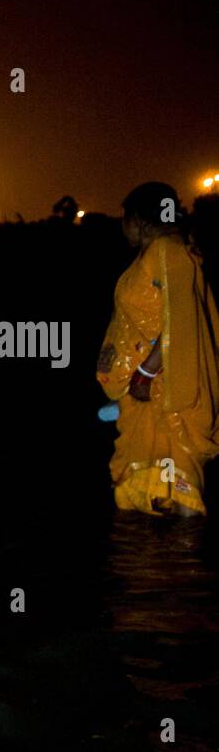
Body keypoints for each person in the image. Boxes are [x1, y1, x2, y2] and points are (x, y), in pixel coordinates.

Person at [96, 182, 219, 517]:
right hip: (143, 391)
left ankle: (186, 561)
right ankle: (151, 564)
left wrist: (148, 371)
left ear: (137, 219)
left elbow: (180, 321)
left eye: (125, 219)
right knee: (146, 490)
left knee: (181, 493)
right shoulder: (151, 256)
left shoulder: (169, 253)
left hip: (167, 388)